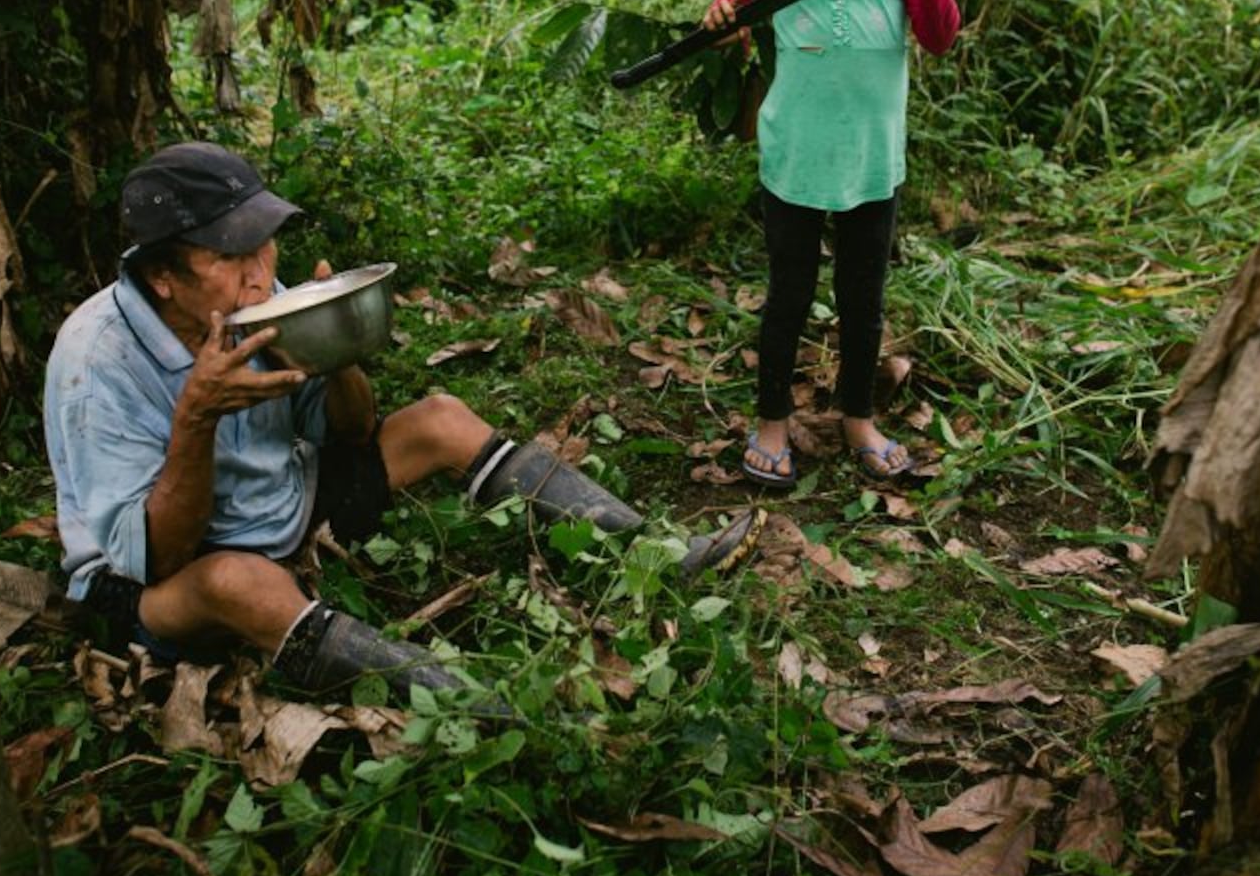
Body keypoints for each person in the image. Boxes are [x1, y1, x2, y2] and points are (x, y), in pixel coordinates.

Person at [44, 141, 762, 702]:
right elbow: (158, 559)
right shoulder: (97, 363)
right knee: (236, 582)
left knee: (439, 418)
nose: (261, 272)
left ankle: (651, 557)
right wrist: (195, 419)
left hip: (282, 506)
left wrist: (335, 345)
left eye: (265, 243)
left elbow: (352, 435)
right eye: (231, 255)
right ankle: (459, 704)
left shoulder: (258, 295)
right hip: (161, 581)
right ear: (164, 276)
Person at [702, 0, 971, 488]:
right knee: (788, 293)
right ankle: (771, 422)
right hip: (795, 152)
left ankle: (858, 417)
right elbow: (733, 12)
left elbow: (939, 37)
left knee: (863, 295)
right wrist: (723, 19)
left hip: (871, 156)